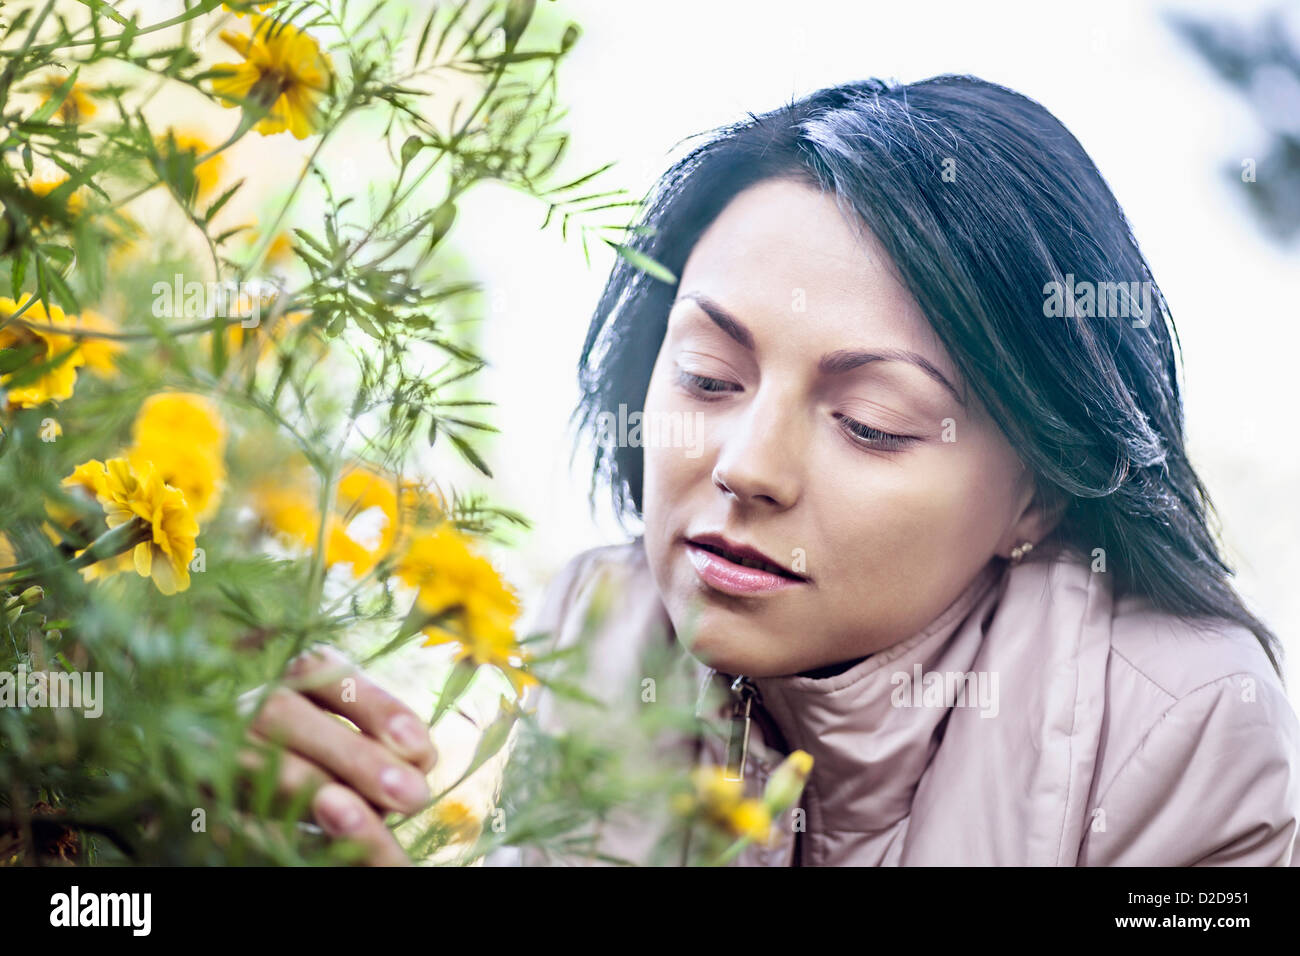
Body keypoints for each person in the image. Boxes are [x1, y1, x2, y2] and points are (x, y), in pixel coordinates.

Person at [247, 74, 1300, 866]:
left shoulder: (1182, 721)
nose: (747, 467)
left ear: (1036, 491)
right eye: (708, 377)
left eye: (872, 422)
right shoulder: (581, 636)